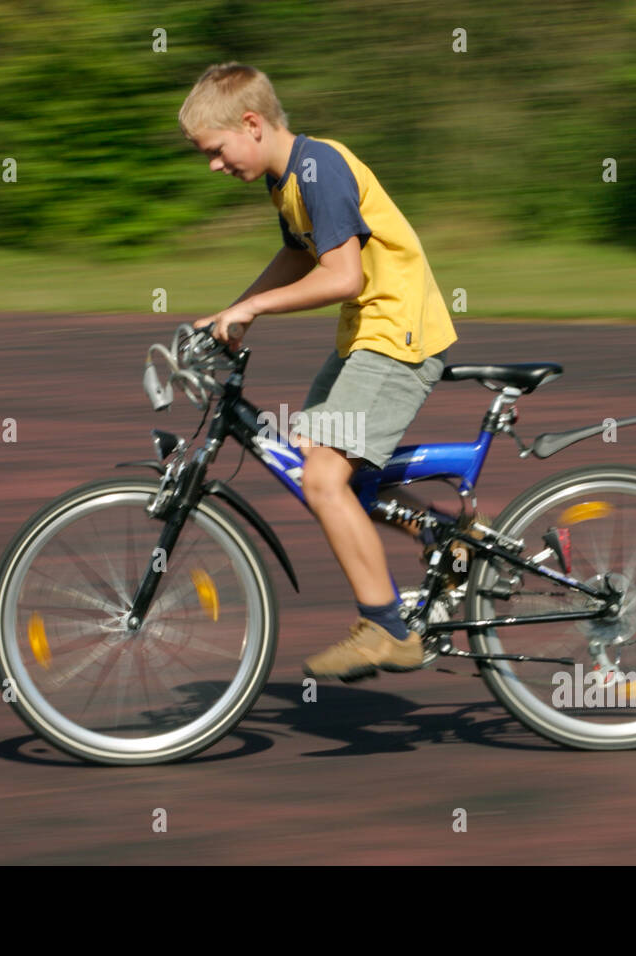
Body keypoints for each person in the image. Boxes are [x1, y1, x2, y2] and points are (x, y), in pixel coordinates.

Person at [179, 63, 459, 682]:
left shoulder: (318, 168)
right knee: (325, 466)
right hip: (367, 334)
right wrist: (236, 309)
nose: (214, 166)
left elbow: (342, 277)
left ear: (251, 124)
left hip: (396, 333)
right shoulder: (288, 181)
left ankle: (388, 629)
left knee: (324, 473)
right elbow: (298, 253)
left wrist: (250, 308)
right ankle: (451, 534)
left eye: (217, 151)